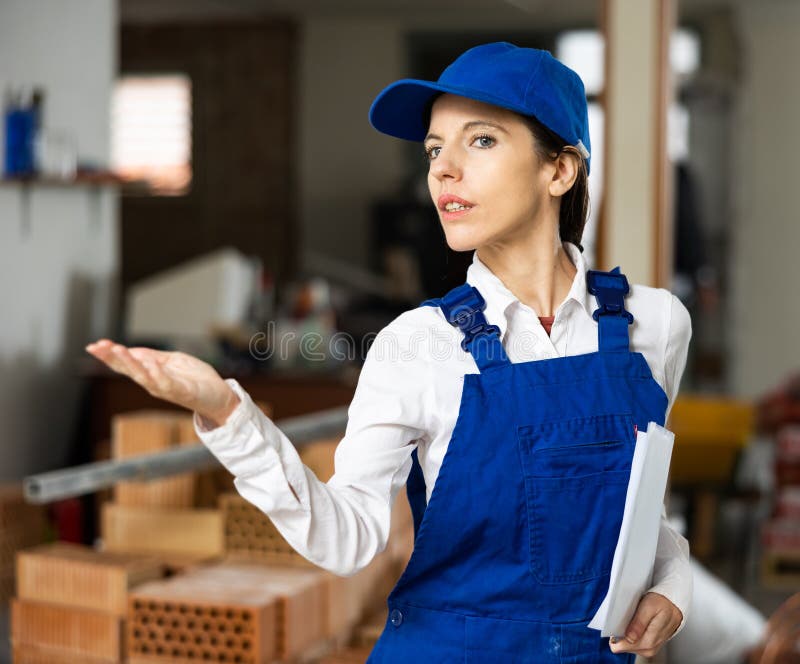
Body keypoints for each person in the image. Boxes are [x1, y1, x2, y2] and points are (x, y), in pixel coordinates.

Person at [87, 42, 692, 662]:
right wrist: (226, 413)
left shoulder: (656, 325)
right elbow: (346, 539)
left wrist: (673, 585)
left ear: (559, 170)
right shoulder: (416, 345)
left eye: (480, 141)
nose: (443, 170)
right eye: (434, 148)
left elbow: (640, 510)